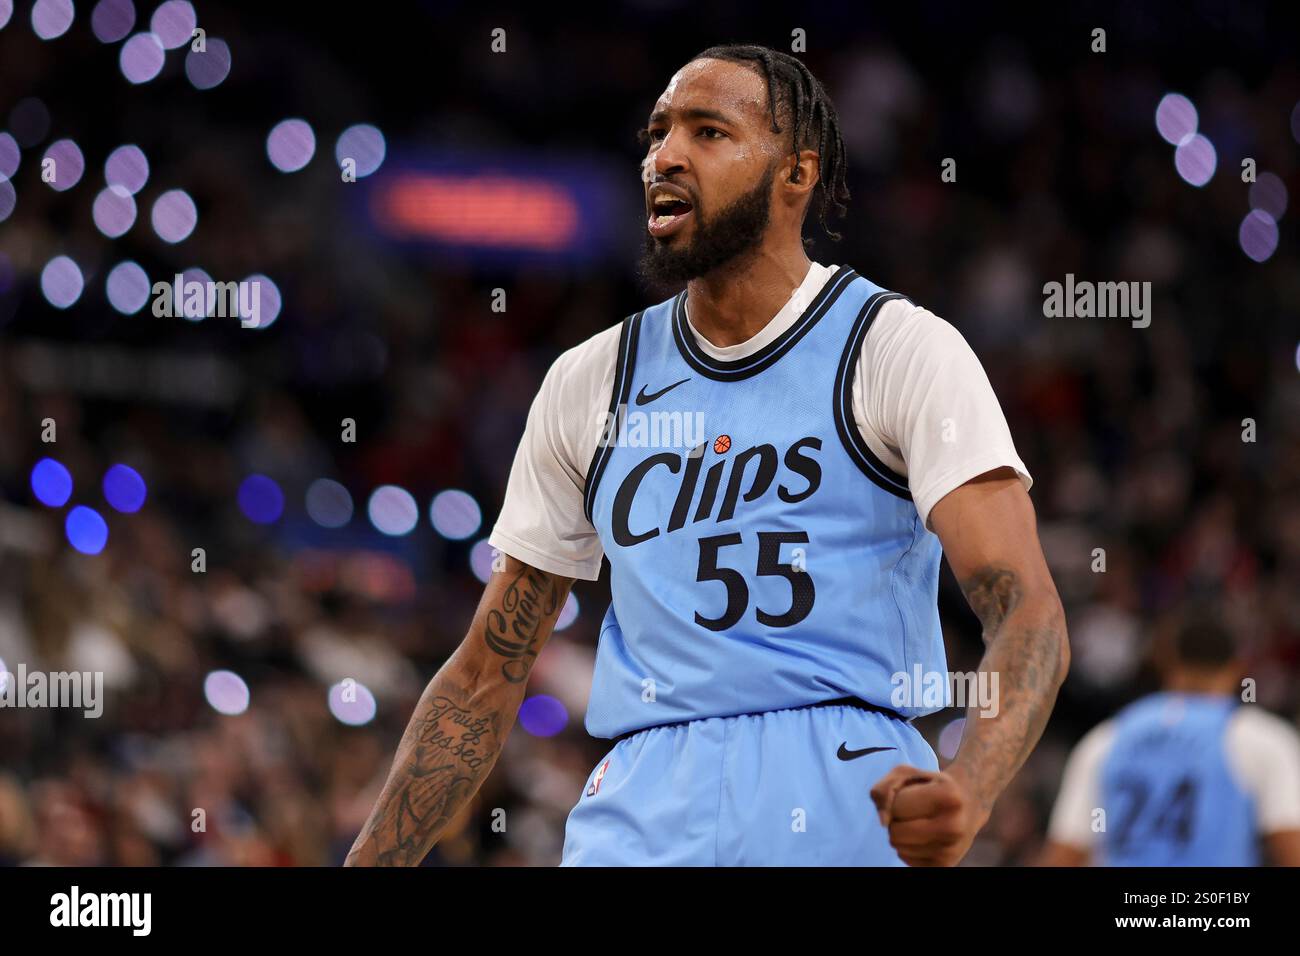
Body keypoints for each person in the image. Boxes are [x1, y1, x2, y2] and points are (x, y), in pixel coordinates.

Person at [346, 44, 1069, 867]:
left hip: (845, 788)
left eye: (708, 131)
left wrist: (971, 783)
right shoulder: (590, 381)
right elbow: (485, 675)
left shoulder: (898, 348)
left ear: (796, 173)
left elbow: (1023, 606)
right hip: (640, 797)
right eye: (658, 132)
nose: (666, 155)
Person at [1040, 616, 1300, 866]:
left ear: (1166, 663)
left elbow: (1065, 854)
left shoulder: (1108, 737)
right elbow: (1290, 847)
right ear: (1237, 666)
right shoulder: (1261, 739)